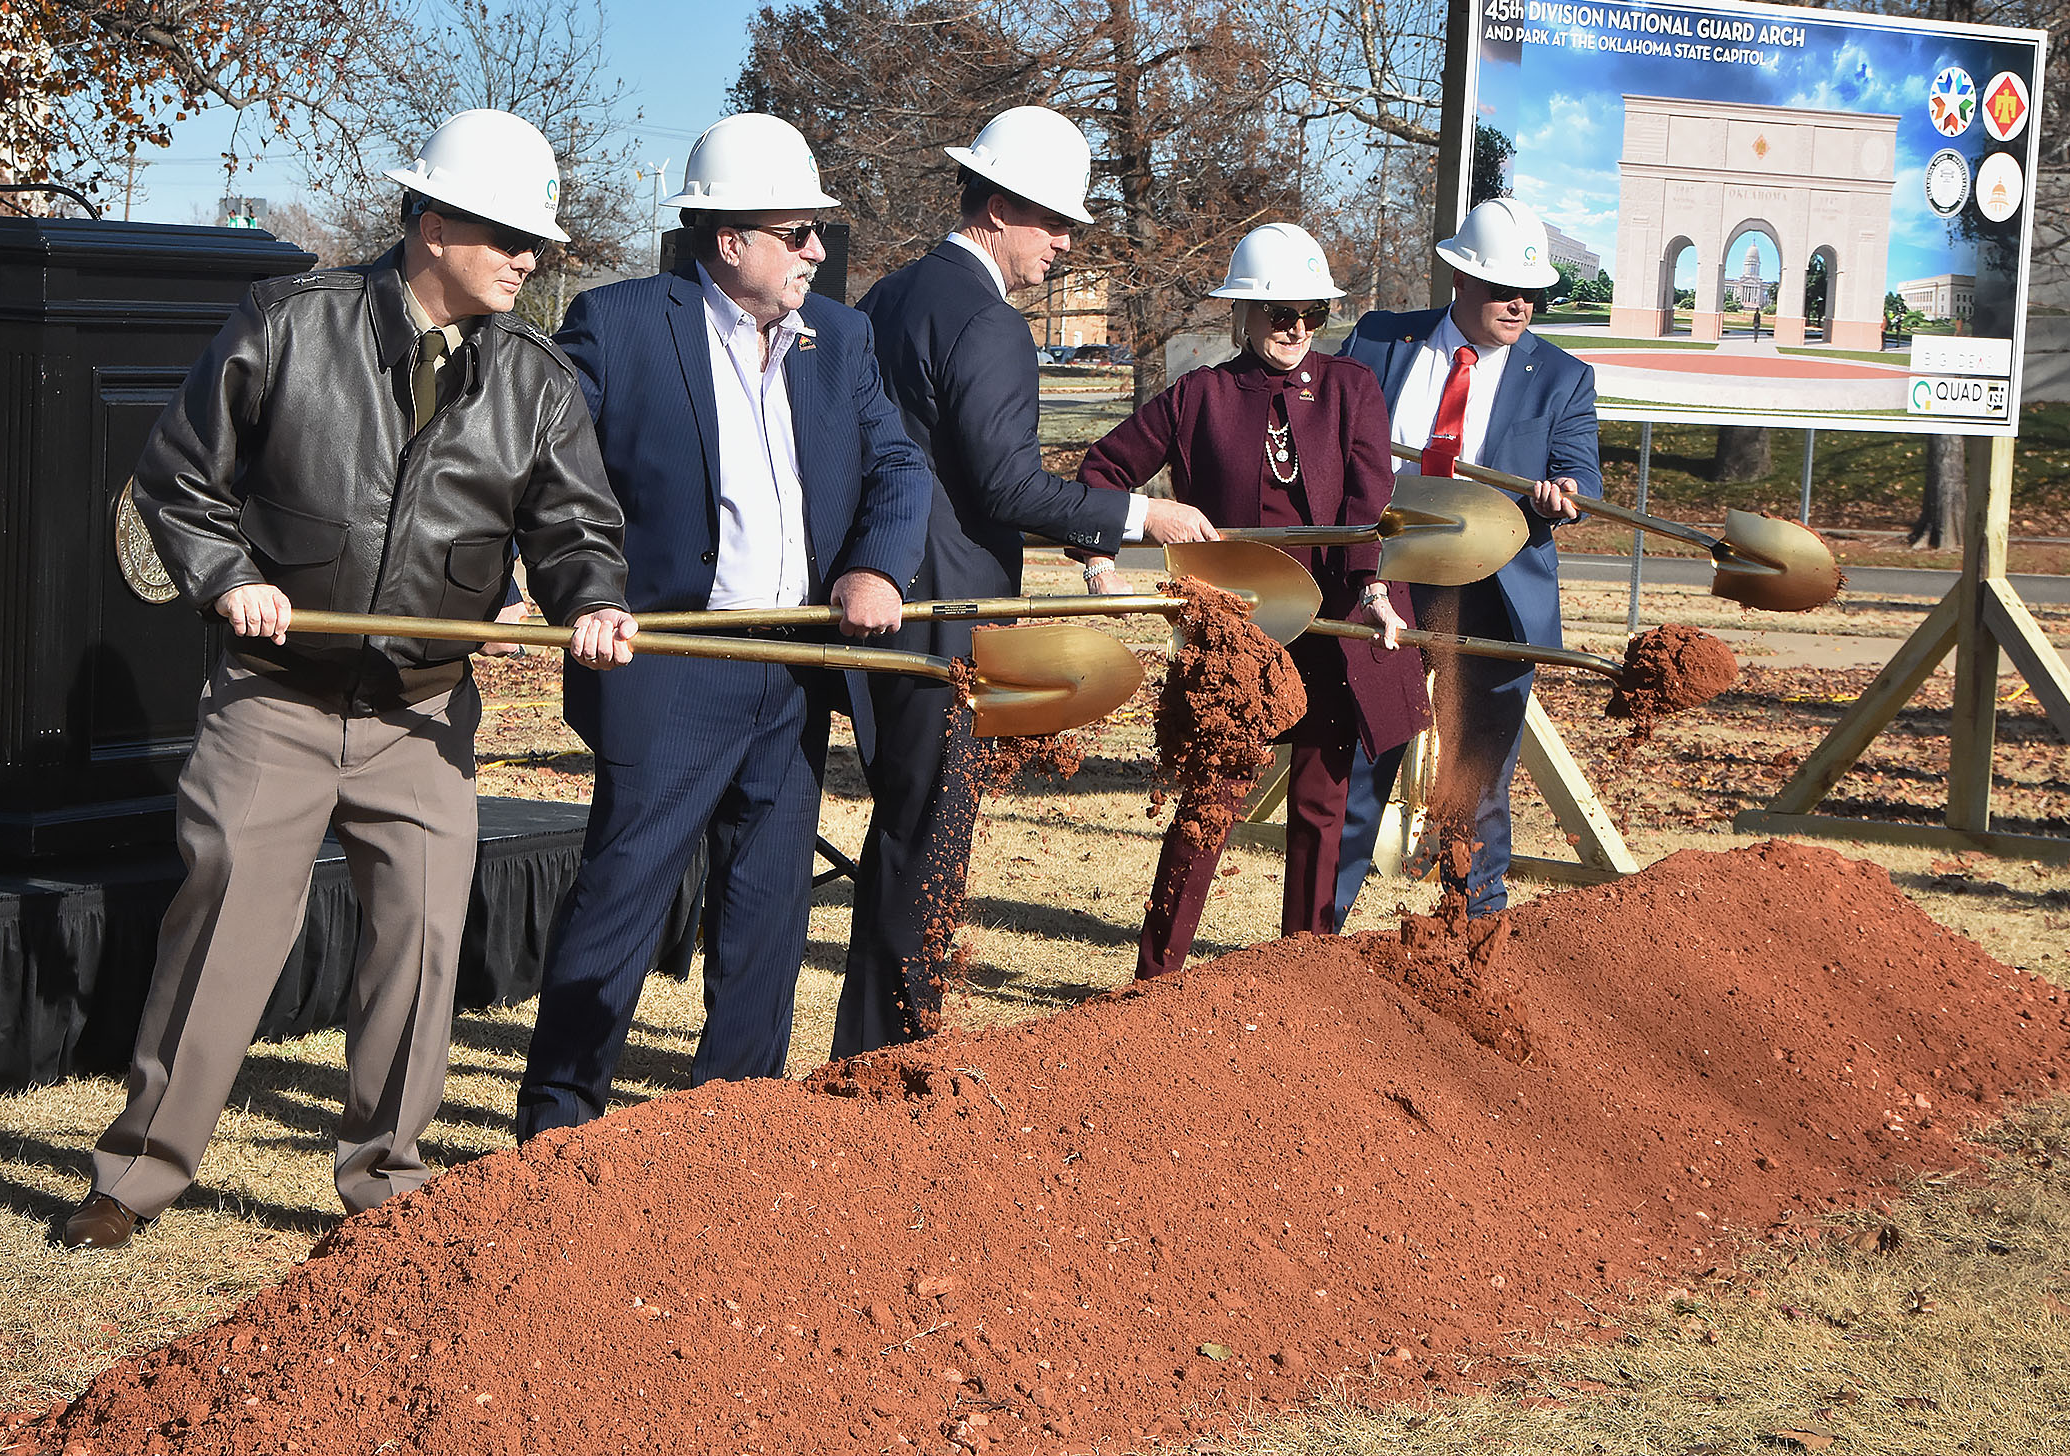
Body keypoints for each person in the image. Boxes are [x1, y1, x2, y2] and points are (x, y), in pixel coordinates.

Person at [62, 110, 636, 1249]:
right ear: (430, 225)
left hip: (422, 717)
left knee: (422, 944)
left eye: (537, 238)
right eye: (509, 233)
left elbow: (574, 527)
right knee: (224, 924)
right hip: (271, 699)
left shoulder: (537, 380)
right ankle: (133, 1178)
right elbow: (177, 484)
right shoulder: (287, 324)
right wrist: (226, 577)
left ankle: (386, 1182)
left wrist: (593, 600)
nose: (531, 256)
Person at [514, 114, 929, 1139]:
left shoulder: (846, 341)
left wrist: (878, 562)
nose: (818, 252)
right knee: (623, 893)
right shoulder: (619, 326)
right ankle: (554, 1132)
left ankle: (731, 1133)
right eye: (799, 232)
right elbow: (552, 475)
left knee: (770, 907)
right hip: (671, 662)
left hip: (792, 669)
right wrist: (585, 591)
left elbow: (899, 465)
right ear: (730, 238)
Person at [834, 104, 1219, 1058]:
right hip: (948, 613)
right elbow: (1008, 485)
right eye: (1054, 221)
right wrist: (1143, 516)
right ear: (998, 206)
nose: (1065, 243)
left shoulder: (888, 297)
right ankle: (891, 1055)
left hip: (878, 599)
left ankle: (870, 1047)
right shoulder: (990, 324)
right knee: (928, 848)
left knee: (901, 836)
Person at [1073, 224, 1428, 976]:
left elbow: (1371, 500)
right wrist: (1100, 562)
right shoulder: (1197, 396)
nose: (1295, 327)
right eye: (1277, 312)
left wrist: (1376, 591)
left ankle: (1305, 974)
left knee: (1321, 808)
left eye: (1310, 311)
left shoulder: (1352, 388)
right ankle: (1155, 977)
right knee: (1211, 803)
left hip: (1336, 623)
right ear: (1243, 315)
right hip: (1236, 633)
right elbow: (1101, 472)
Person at [1331, 196, 1601, 925]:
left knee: (1476, 778)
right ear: (1459, 280)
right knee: (1362, 756)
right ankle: (1316, 934)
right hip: (1388, 582)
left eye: (1532, 293)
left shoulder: (1563, 378)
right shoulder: (1380, 341)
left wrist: (1564, 493)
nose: (1520, 304)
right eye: (1504, 290)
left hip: (1495, 593)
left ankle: (1472, 930)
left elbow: (1582, 473)